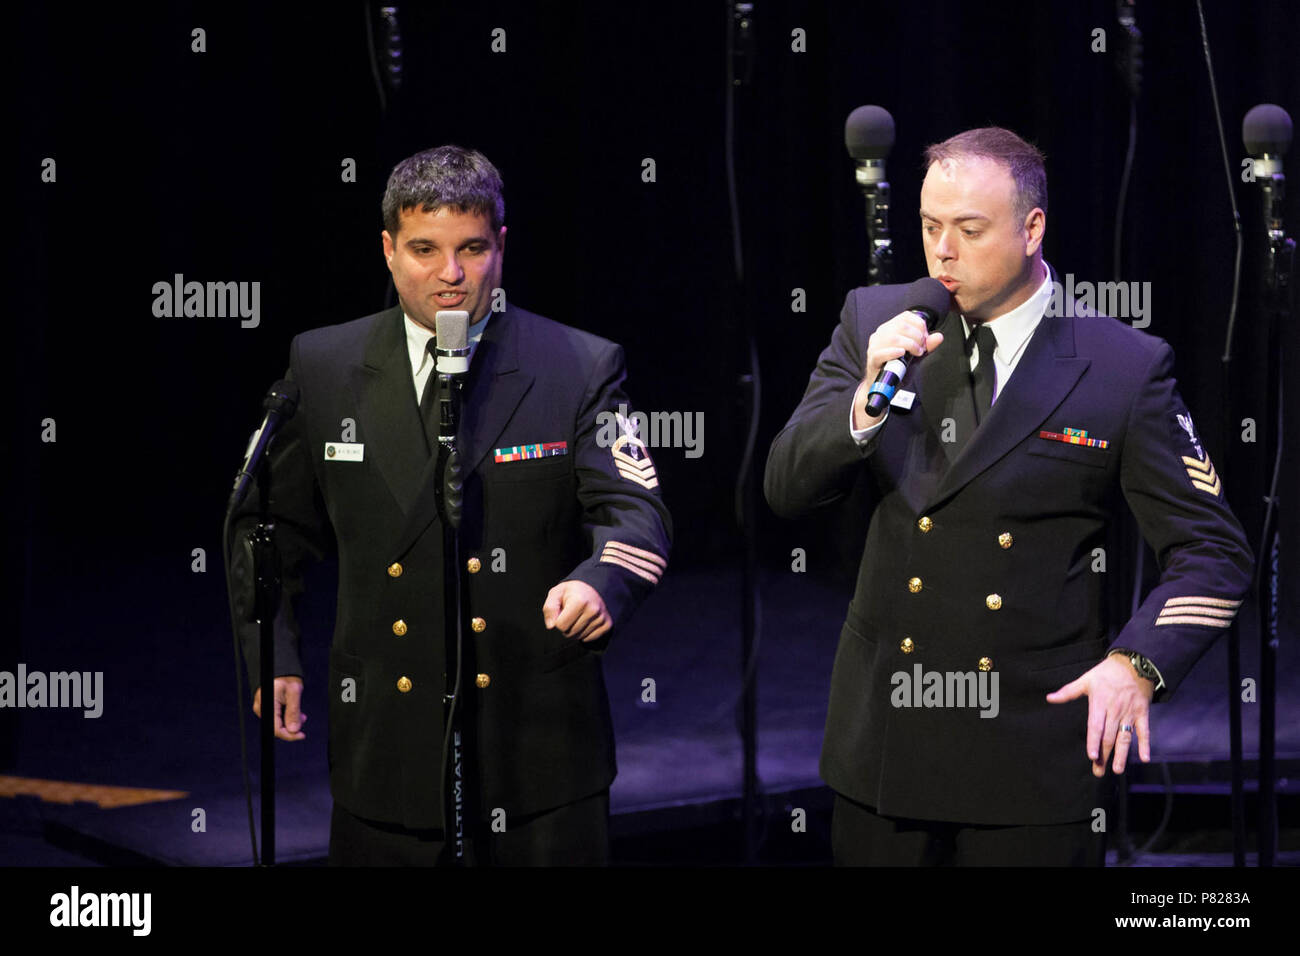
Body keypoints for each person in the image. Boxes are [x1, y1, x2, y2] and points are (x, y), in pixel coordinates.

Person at [763, 127, 1252, 866]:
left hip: (1029, 757)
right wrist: (862, 407)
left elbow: (1214, 551)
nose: (942, 253)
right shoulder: (880, 323)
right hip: (886, 746)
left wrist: (1139, 662)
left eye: (969, 229)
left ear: (1032, 229)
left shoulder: (1120, 365)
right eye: (930, 228)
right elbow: (785, 490)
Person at [229, 145, 671, 865]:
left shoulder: (578, 364)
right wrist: (271, 651)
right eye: (425, 250)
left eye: (471, 249)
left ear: (501, 244)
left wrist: (602, 582)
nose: (451, 276)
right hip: (385, 747)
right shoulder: (324, 365)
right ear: (388, 250)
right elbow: (264, 523)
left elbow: (638, 511)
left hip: (539, 751)